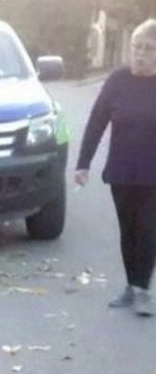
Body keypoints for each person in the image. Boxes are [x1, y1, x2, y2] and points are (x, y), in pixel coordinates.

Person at [75, 18, 156, 317]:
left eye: (149, 48)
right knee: (128, 231)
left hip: (153, 174)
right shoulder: (117, 81)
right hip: (122, 171)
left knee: (148, 229)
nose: (141, 54)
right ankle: (131, 285)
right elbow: (97, 122)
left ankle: (143, 291)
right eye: (137, 47)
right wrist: (83, 163)